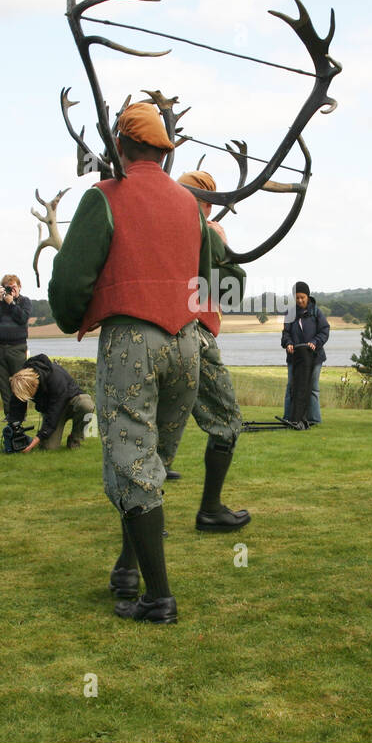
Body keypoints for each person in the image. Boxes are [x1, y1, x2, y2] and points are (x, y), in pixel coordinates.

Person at [49, 102, 212, 625]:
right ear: (166, 150)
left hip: (131, 341)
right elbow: (206, 282)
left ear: (120, 145)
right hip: (188, 343)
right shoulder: (190, 204)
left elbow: (69, 282)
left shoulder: (104, 198)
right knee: (153, 458)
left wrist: (77, 314)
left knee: (131, 459)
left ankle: (159, 598)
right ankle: (127, 567)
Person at [154, 169, 250, 527]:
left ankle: (149, 525)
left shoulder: (157, 226)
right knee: (226, 422)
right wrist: (223, 249)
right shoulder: (204, 231)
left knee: (156, 431)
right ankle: (210, 509)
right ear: (210, 203)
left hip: (151, 338)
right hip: (194, 336)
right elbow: (230, 291)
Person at [7, 354, 95, 451]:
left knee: (86, 405)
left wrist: (38, 437)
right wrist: (14, 427)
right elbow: (17, 406)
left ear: (34, 386)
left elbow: (54, 411)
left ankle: (75, 439)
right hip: (53, 407)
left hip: (71, 401)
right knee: (49, 448)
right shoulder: (20, 381)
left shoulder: (55, 378)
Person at [281, 281, 329, 428]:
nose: (300, 300)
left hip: (314, 356)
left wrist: (315, 341)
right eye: (297, 298)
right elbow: (286, 333)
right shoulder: (290, 313)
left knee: (313, 386)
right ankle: (289, 417)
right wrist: (288, 343)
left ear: (308, 296)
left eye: (302, 297)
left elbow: (325, 331)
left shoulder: (316, 312)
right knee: (291, 386)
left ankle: (314, 418)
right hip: (294, 357)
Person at [0, 274, 31, 421]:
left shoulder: (25, 301)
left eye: (13, 287)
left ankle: (21, 414)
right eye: (8, 287)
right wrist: (1, 301)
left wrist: (12, 303)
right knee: (3, 382)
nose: (11, 290)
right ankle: (9, 414)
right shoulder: (0, 304)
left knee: (19, 382)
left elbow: (22, 318)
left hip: (17, 347)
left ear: (19, 287)